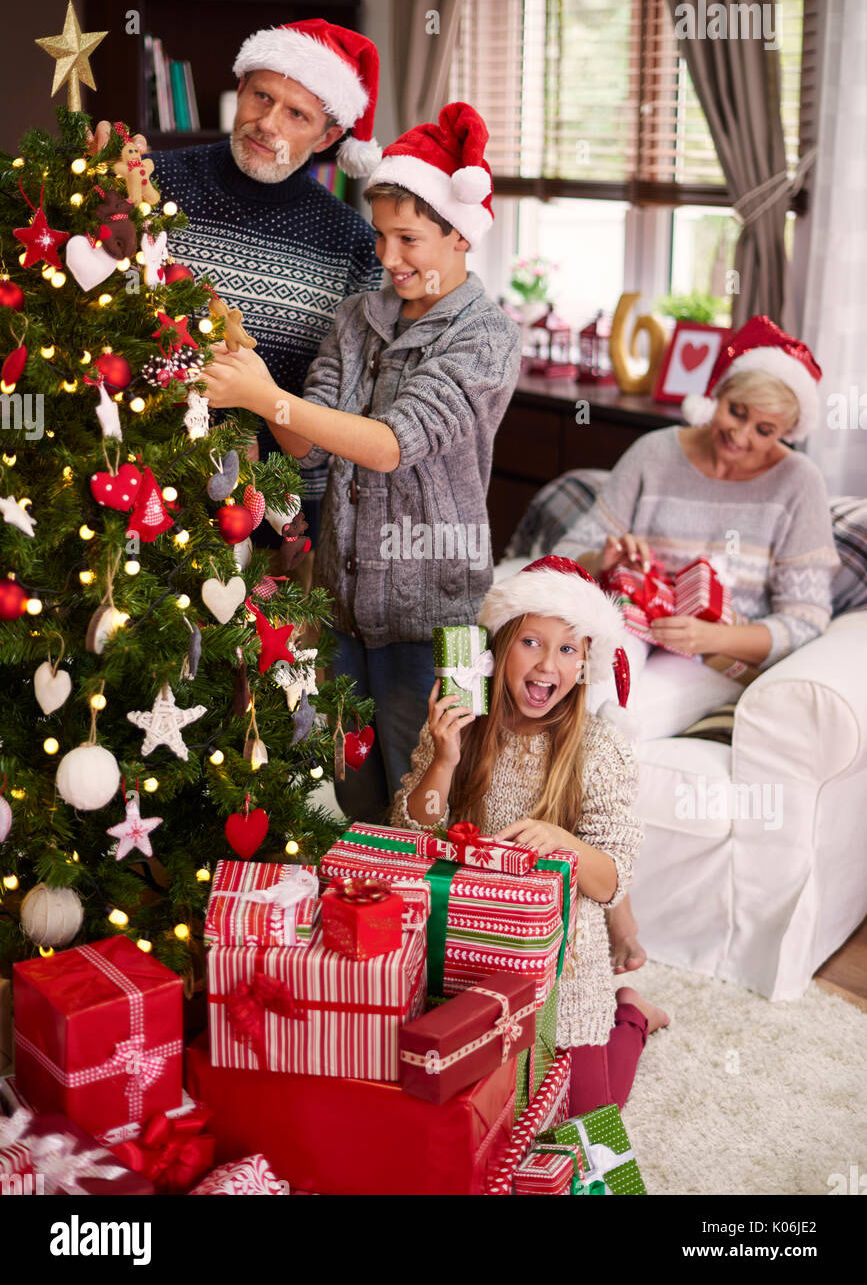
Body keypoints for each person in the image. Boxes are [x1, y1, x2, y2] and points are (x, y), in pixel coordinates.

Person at [201, 102, 522, 824]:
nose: (387, 257)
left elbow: (389, 445)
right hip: (343, 607)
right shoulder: (356, 319)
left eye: (408, 239)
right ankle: (368, 928)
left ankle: (441, 935)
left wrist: (267, 397)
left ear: (458, 234)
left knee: (436, 804)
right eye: (379, 236)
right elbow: (307, 444)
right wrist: (245, 366)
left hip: (438, 615)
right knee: (354, 795)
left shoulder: (487, 339)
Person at [552, 315, 840, 974]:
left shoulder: (799, 485)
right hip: (634, 620)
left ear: (786, 434)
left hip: (717, 652)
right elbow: (571, 552)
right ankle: (547, 877)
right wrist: (608, 551)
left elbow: (805, 618)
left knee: (616, 722)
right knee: (578, 701)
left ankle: (596, 899)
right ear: (718, 392)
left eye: (763, 430)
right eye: (735, 411)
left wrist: (714, 635)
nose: (738, 436)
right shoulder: (654, 452)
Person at [391, 555, 669, 1118]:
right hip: (479, 943)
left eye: (567, 649)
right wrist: (444, 760)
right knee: (479, 1104)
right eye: (531, 643)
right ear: (498, 651)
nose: (547, 665)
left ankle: (632, 1012)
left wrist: (560, 839)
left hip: (566, 959)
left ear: (585, 662)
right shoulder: (459, 723)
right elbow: (408, 832)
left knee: (586, 1116)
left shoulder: (601, 749)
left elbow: (611, 880)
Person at [92, 19, 384, 551]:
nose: (266, 123)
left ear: (328, 136)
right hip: (137, 487)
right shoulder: (155, 184)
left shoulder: (354, 245)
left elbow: (346, 413)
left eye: (296, 114)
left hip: (274, 521)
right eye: (260, 96)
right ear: (241, 88)